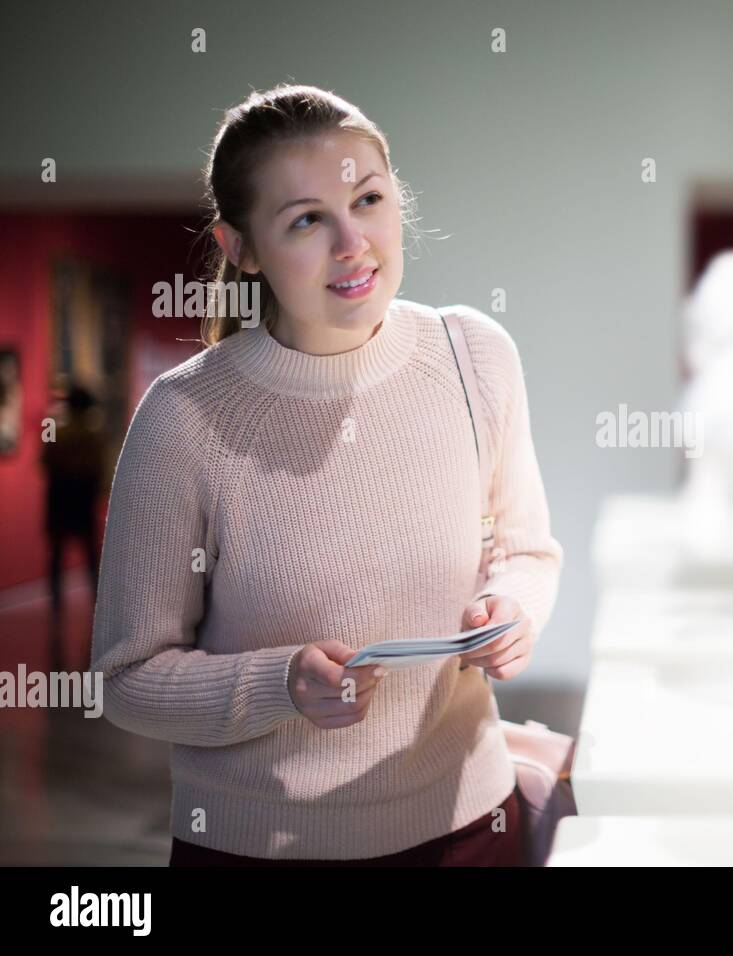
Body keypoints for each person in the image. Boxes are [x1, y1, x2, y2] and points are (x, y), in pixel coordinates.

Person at [89, 84, 563, 866]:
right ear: (239, 245)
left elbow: (528, 550)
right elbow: (128, 678)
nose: (354, 243)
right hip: (260, 848)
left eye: (368, 199)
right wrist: (282, 686)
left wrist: (515, 609)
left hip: (473, 829)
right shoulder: (183, 417)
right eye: (307, 219)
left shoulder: (474, 356)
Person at [42, 382, 107, 671]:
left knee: (56, 554)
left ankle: (55, 606)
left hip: (59, 497)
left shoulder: (57, 431)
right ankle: (97, 602)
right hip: (82, 499)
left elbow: (44, 462)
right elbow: (99, 470)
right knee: (89, 554)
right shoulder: (93, 434)